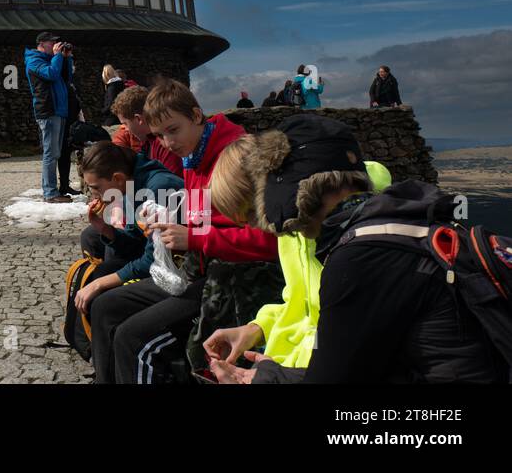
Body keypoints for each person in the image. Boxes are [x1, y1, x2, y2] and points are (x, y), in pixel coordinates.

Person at [203, 116, 503, 383]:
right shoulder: (385, 224)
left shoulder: (358, 256)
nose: (263, 224)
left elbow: (335, 369)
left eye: (257, 211)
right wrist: (259, 328)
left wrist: (267, 376)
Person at [87, 79, 277, 383]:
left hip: (232, 280)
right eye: (160, 135)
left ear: (196, 115)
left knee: (130, 337)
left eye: (173, 129)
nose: (168, 143)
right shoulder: (192, 156)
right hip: (196, 270)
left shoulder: (237, 156)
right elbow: (200, 222)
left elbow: (270, 240)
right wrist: (167, 228)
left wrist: (193, 237)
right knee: (106, 305)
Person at [202, 117, 392, 381]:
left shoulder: (345, 236)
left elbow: (342, 338)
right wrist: (256, 328)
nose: (256, 227)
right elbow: (297, 303)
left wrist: (274, 375)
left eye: (253, 214)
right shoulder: (291, 234)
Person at [75, 141, 185, 342]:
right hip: (158, 263)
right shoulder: (131, 185)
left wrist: (100, 284)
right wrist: (105, 229)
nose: (95, 195)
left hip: (177, 275)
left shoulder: (160, 188)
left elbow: (155, 258)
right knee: (97, 270)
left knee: (101, 294)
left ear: (117, 178)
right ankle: (87, 341)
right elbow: (136, 241)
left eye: (97, 188)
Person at [25, 32, 74, 203]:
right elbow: (51, 74)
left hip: (59, 111)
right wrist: (57, 56)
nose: (55, 45)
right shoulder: (34, 61)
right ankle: (50, 193)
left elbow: (67, 77)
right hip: (48, 111)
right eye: (52, 42)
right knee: (50, 153)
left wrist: (66, 58)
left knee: (55, 153)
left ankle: (52, 190)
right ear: (42, 44)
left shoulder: (52, 59)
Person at [109, 85, 183, 176]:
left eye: (125, 123)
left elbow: (171, 182)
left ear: (138, 119)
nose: (125, 129)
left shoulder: (165, 145)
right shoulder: (149, 143)